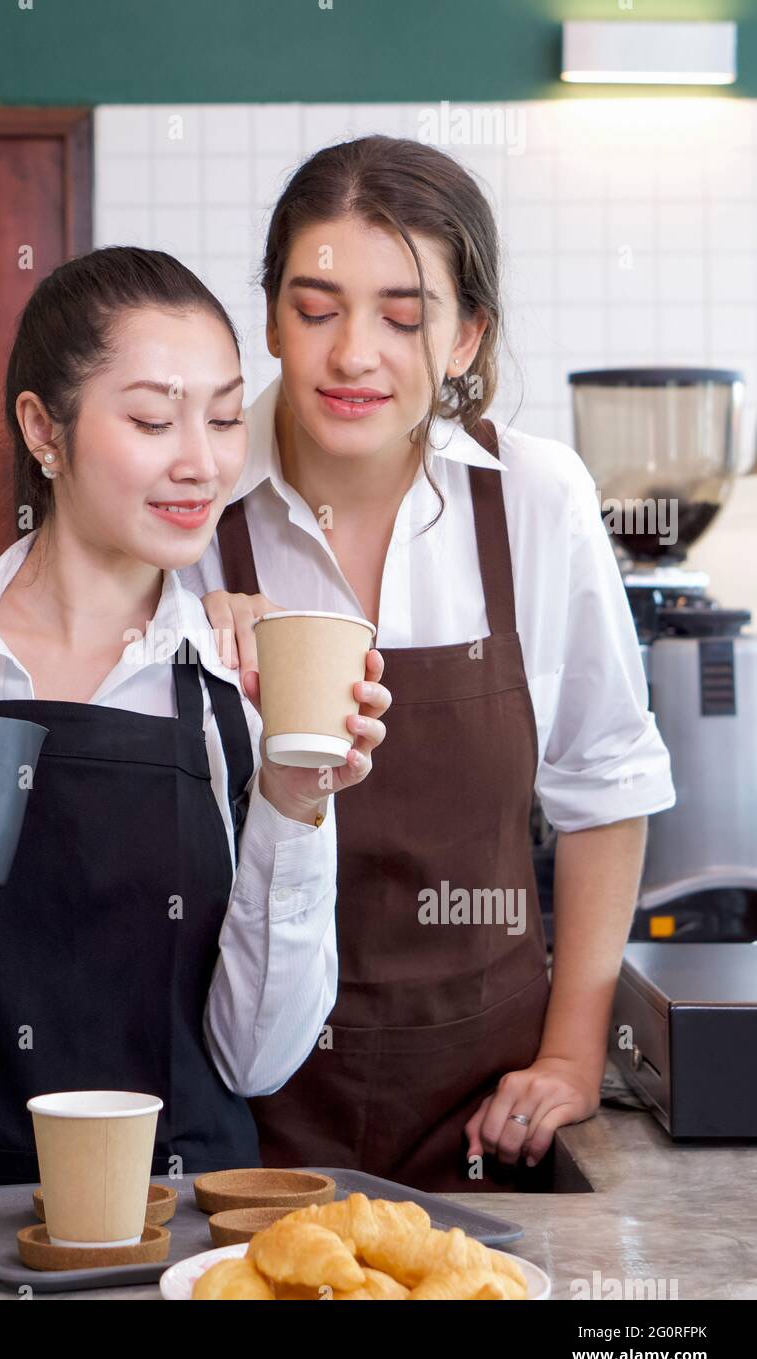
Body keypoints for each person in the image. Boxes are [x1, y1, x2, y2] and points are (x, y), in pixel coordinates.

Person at [0, 246, 390, 1297]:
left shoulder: (248, 676)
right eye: (151, 420)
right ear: (43, 430)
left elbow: (259, 1061)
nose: (201, 462)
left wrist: (291, 804)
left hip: (172, 1241)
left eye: (225, 418)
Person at [181, 137, 676, 1192]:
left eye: (402, 317)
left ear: (466, 337)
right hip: (232, 1099)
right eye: (315, 309)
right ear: (268, 318)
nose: (353, 352)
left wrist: (570, 1053)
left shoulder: (535, 498)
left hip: (482, 1102)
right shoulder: (191, 504)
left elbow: (606, 786)